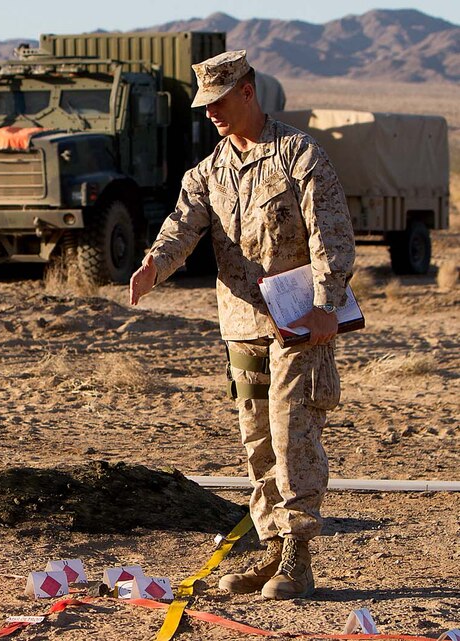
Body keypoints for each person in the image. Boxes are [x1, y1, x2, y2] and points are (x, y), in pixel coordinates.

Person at [129, 50, 355, 600]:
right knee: (256, 438)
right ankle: (271, 553)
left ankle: (298, 560)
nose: (210, 113)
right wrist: (156, 263)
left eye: (219, 101)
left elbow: (333, 237)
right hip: (240, 325)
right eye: (204, 104)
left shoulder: (300, 156)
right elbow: (183, 224)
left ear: (248, 92)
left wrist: (326, 305)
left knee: (290, 431)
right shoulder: (209, 171)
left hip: (298, 323)